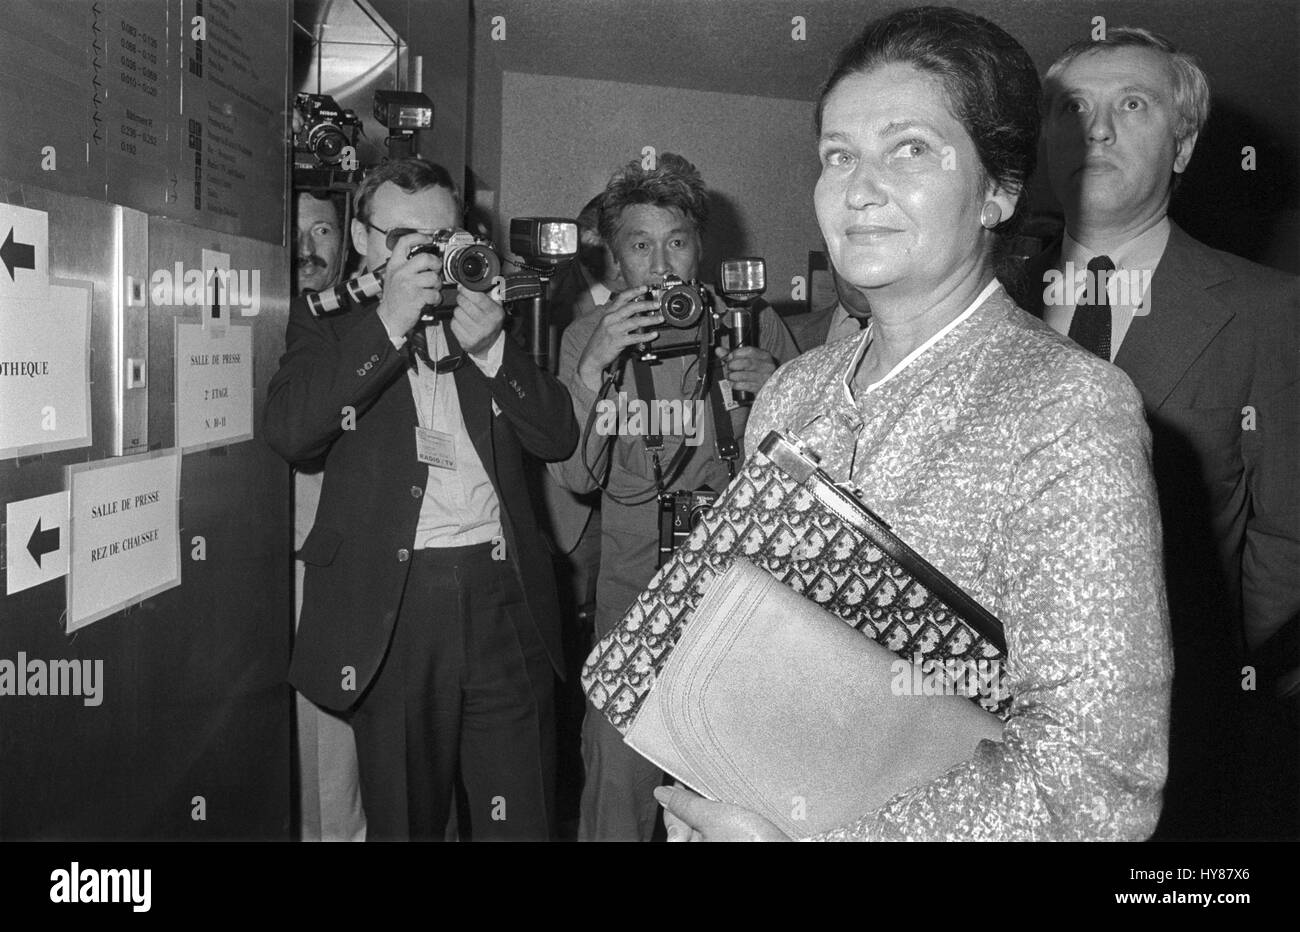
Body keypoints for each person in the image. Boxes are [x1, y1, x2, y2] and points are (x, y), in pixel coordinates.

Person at [657, 5, 1171, 842]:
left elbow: (1095, 782)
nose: (859, 189)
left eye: (910, 149)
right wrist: (703, 781)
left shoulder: (1067, 407)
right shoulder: (792, 394)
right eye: (838, 156)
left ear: (999, 191)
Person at [1020, 27, 1299, 839]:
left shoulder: (1267, 310)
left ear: (1182, 147)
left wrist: (1204, 673)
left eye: (1131, 106)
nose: (1096, 131)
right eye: (1072, 110)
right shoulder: (984, 294)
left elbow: (1286, 537)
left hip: (1177, 726)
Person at [265, 158, 579, 840]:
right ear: (361, 238)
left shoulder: (483, 310)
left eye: (440, 236)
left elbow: (557, 436)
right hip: (395, 606)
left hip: (505, 599)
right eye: (403, 236)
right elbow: (293, 435)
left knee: (521, 818)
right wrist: (386, 323)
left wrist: (495, 348)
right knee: (405, 821)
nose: (425, 254)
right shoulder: (326, 323)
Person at [550, 152, 799, 841]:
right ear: (616, 261)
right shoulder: (584, 338)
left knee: (727, 789)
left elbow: (802, 485)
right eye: (640, 245)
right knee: (615, 777)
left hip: (734, 591)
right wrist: (597, 365)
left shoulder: (751, 326)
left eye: (678, 243)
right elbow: (574, 478)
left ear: (700, 252)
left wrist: (775, 396)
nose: (661, 266)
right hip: (632, 590)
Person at [290, 189, 366, 841]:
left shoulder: (364, 330)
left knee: (333, 748)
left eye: (323, 231)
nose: (308, 249)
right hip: (253, 570)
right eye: (294, 233)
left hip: (335, 567)